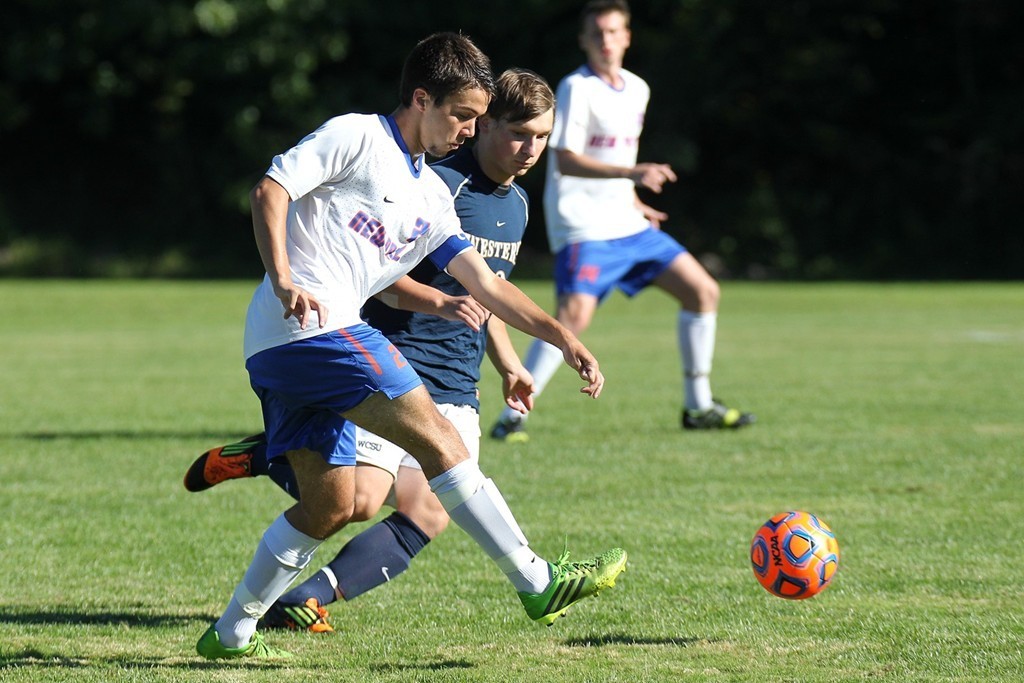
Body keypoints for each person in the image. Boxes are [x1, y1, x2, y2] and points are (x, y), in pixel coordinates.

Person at [195, 33, 626, 661]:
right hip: (315, 329)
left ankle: (230, 633)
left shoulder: (429, 195)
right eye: (461, 116)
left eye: (477, 120)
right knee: (440, 443)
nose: (467, 131)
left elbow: (482, 282)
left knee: (334, 505)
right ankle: (537, 581)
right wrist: (284, 278)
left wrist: (560, 337)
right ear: (421, 98)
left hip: (286, 352)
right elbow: (271, 190)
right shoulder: (357, 136)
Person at [490, 0, 754, 443]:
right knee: (571, 319)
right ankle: (513, 416)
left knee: (703, 290)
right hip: (584, 226)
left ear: (627, 37)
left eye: (614, 32)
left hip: (626, 223)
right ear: (584, 41)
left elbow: (617, 157)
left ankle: (699, 406)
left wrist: (633, 198)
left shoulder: (637, 88)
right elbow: (567, 159)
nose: (606, 42)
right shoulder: (576, 88)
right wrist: (632, 175)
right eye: (597, 34)